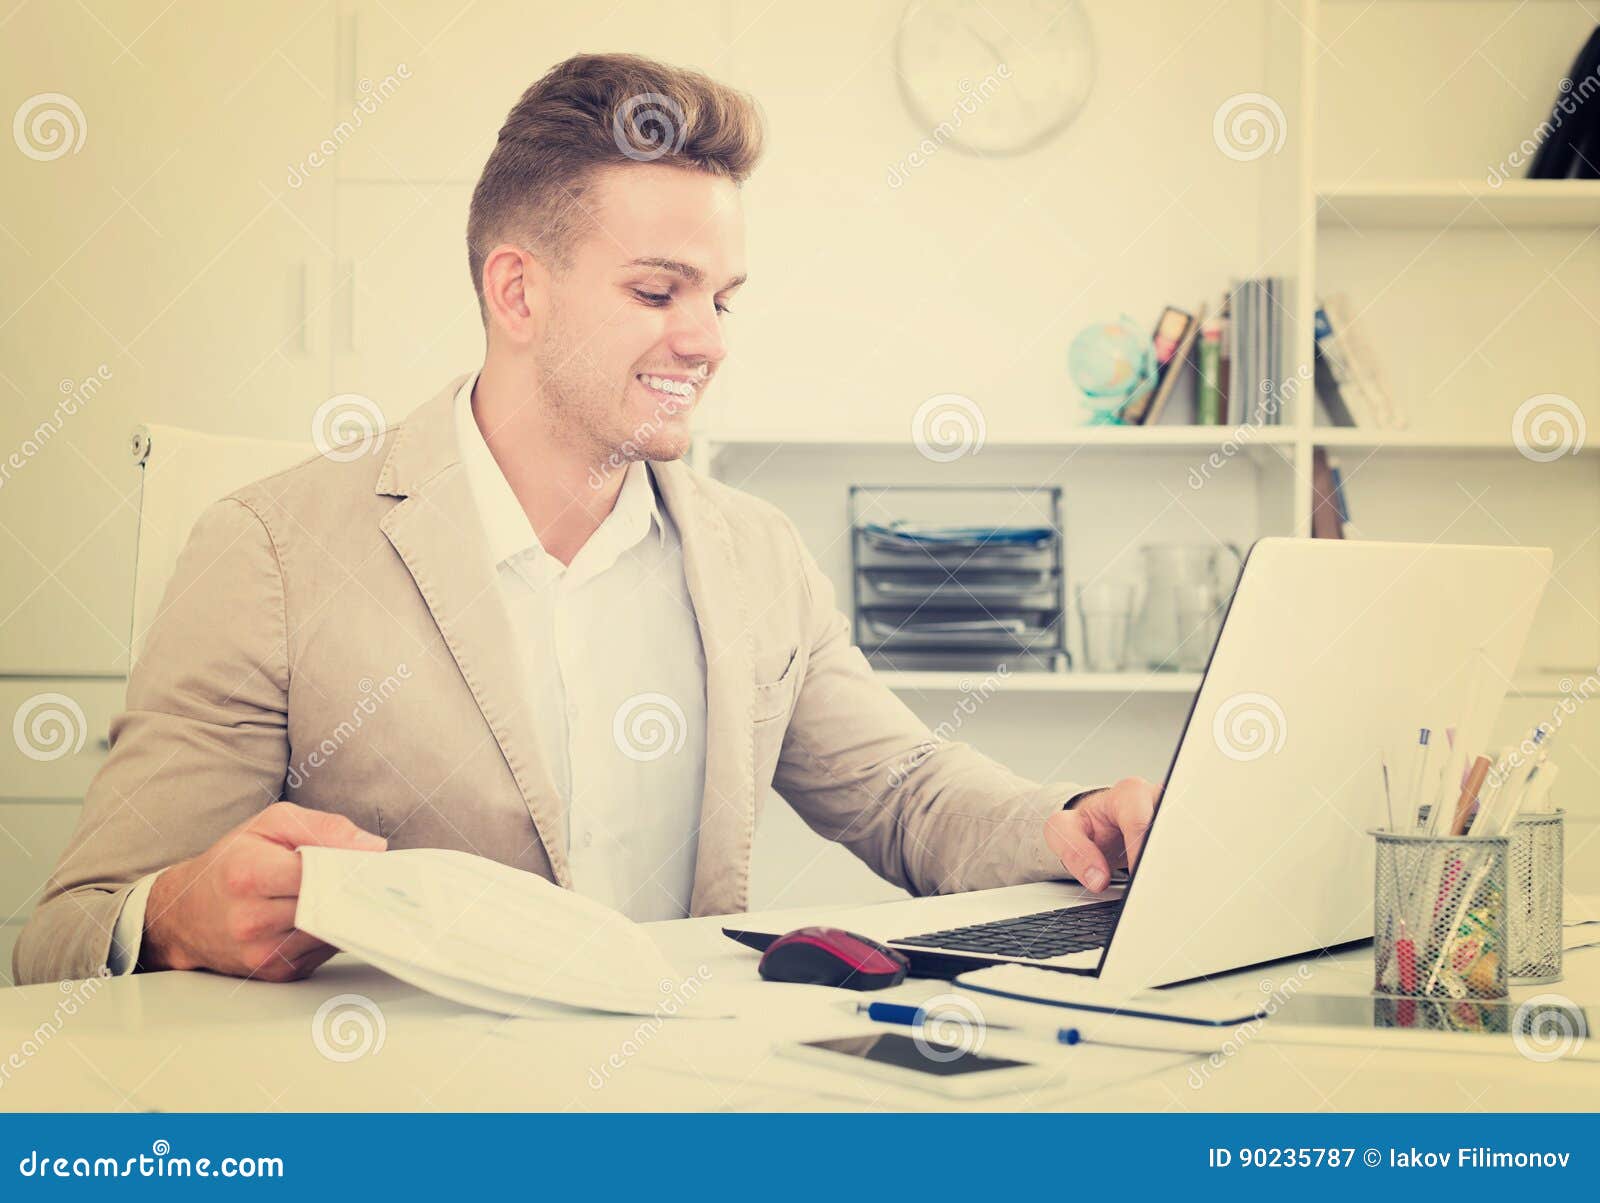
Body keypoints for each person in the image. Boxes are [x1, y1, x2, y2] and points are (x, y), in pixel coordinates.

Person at [15, 52, 1159, 987]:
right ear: (517, 293)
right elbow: (62, 937)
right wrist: (172, 918)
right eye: (658, 293)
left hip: (675, 1111)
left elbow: (904, 792)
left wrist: (1068, 822)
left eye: (721, 298)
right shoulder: (269, 550)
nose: (707, 339)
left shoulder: (753, 557)